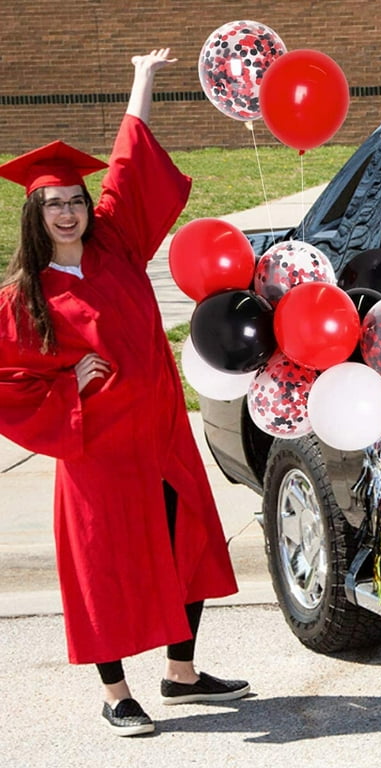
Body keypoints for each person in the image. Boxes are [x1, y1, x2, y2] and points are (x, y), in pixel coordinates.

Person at [0, 49, 249, 736]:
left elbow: (129, 165)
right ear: (35, 213)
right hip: (99, 454)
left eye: (75, 200)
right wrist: (64, 393)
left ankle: (184, 675)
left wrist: (143, 79)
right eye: (54, 204)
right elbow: (6, 383)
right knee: (105, 571)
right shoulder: (23, 300)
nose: (69, 212)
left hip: (162, 436)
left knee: (190, 543)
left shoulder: (117, 246)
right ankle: (115, 692)